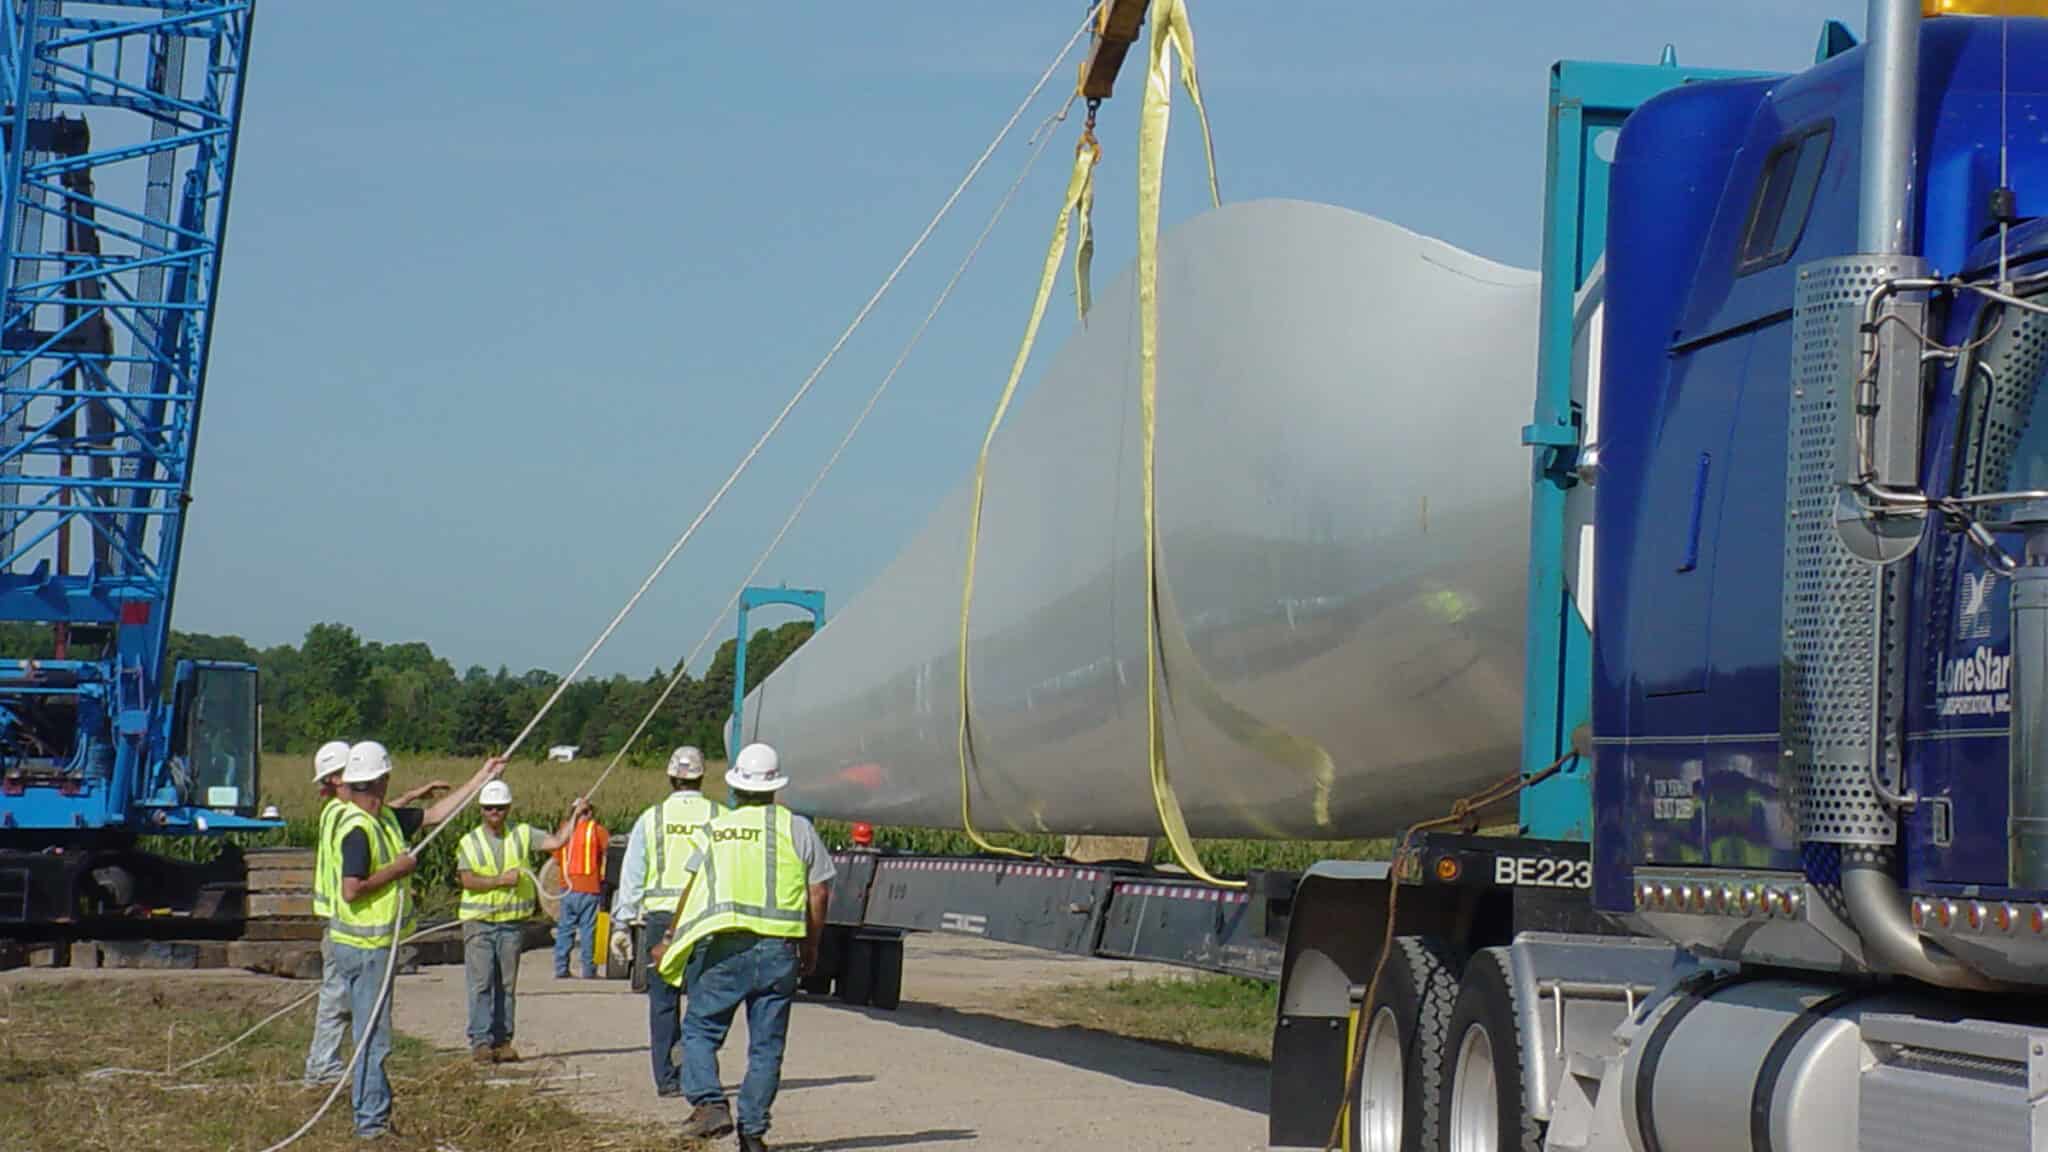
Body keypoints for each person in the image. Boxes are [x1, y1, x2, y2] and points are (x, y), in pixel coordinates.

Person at [653, 743, 834, 1150]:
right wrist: (811, 946)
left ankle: (710, 1104)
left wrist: (669, 938)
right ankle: (752, 1134)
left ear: (736, 786)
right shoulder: (797, 828)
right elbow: (819, 892)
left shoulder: (716, 829)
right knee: (766, 1048)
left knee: (700, 1030)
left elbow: (692, 889)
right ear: (775, 787)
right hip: (779, 950)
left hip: (725, 948)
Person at [331, 742, 503, 1140]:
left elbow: (437, 814)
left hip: (372, 946)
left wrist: (482, 778)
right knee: (373, 1038)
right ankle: (371, 1124)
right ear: (380, 780)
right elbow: (352, 890)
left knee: (372, 1035)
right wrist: (398, 869)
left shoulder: (385, 819)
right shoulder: (358, 829)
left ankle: (373, 1115)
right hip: (365, 948)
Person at [305, 741, 452, 1088]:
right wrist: (397, 869)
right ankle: (322, 1066)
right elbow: (374, 820)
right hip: (349, 923)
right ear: (337, 780)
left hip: (343, 920)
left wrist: (414, 795)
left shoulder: (346, 813)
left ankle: (326, 1065)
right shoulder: (343, 817)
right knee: (338, 1000)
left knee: (342, 999)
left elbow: (384, 812)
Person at [614, 745, 724, 1098]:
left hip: (662, 919)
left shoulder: (652, 818)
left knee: (663, 1001)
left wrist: (622, 922)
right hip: (704, 918)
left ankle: (667, 1078)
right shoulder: (720, 816)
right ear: (702, 777)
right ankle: (699, 1074)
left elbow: (633, 873)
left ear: (671, 777)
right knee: (703, 1001)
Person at [456, 780, 587, 1063]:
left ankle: (503, 1041)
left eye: (500, 808)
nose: (494, 813)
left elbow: (557, 842)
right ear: (481, 810)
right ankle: (481, 1042)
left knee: (506, 986)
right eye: (489, 808)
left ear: (508, 809)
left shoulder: (523, 833)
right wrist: (500, 881)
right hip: (478, 923)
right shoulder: (469, 841)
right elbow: (467, 879)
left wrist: (575, 816)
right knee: (481, 984)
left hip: (512, 924)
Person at [553, 800, 610, 978]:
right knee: (588, 931)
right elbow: (609, 852)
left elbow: (556, 858)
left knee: (565, 930)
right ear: (590, 812)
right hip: (589, 888)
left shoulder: (563, 831)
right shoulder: (597, 830)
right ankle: (588, 970)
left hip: (567, 888)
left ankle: (561, 968)